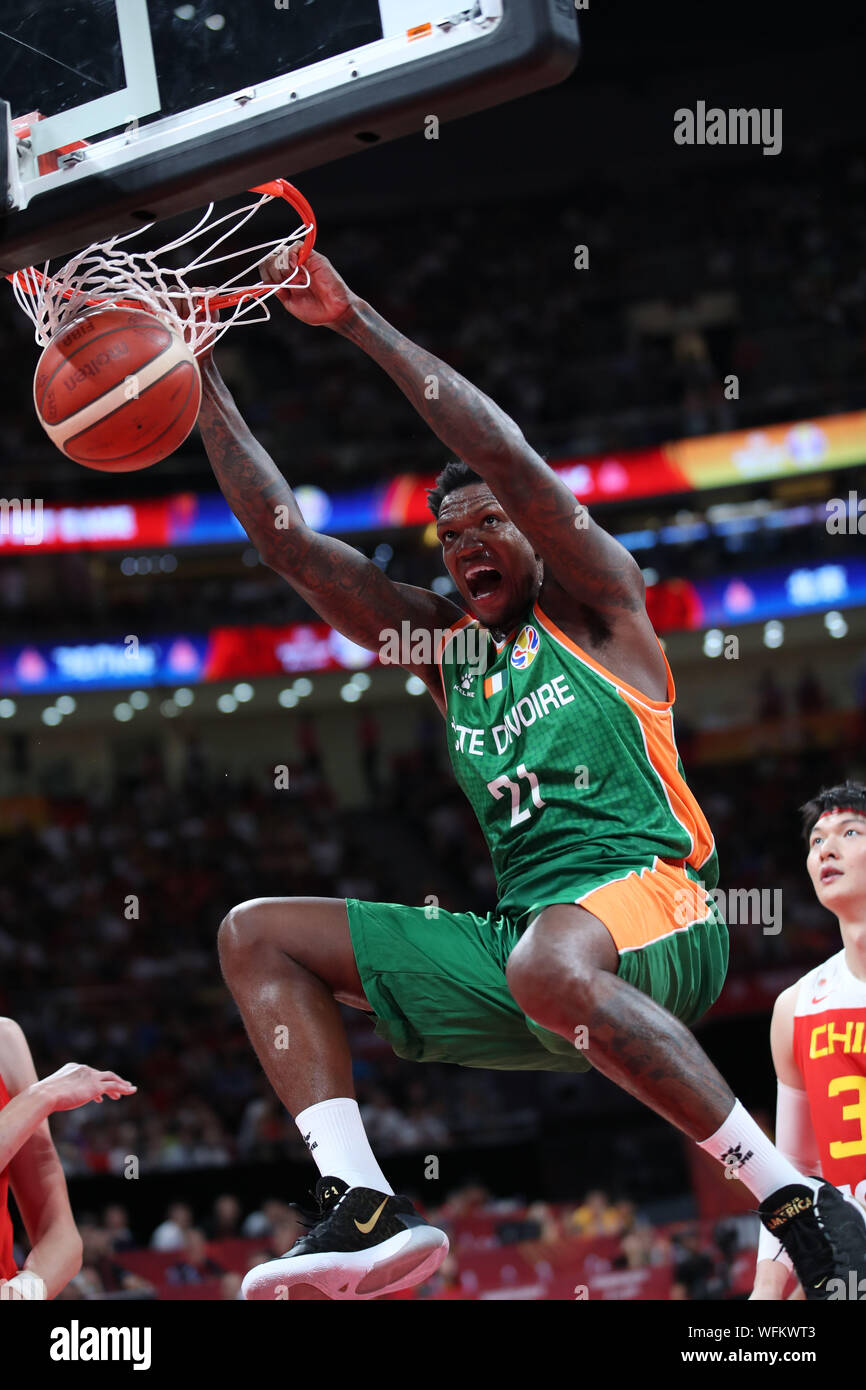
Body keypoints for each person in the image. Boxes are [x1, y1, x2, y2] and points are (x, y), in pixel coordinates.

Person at [196, 243, 866, 1302]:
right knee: (253, 932)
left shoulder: (597, 604)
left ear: (533, 534)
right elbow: (291, 545)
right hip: (539, 956)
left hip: (661, 910)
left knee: (544, 962)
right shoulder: (446, 655)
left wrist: (355, 320)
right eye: (446, 533)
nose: (466, 541)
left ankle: (793, 1201)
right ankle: (361, 1197)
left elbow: (503, 453)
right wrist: (193, 375)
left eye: (485, 523)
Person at [752, 781, 866, 1300]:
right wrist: (766, 1293)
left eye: (849, 832)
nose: (827, 848)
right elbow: (796, 1172)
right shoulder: (795, 1007)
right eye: (817, 840)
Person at [0, 1019, 135, 1299]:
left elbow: (64, 1239)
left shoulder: (4, 1041)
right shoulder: (38, 1096)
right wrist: (42, 1095)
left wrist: (26, 1290)